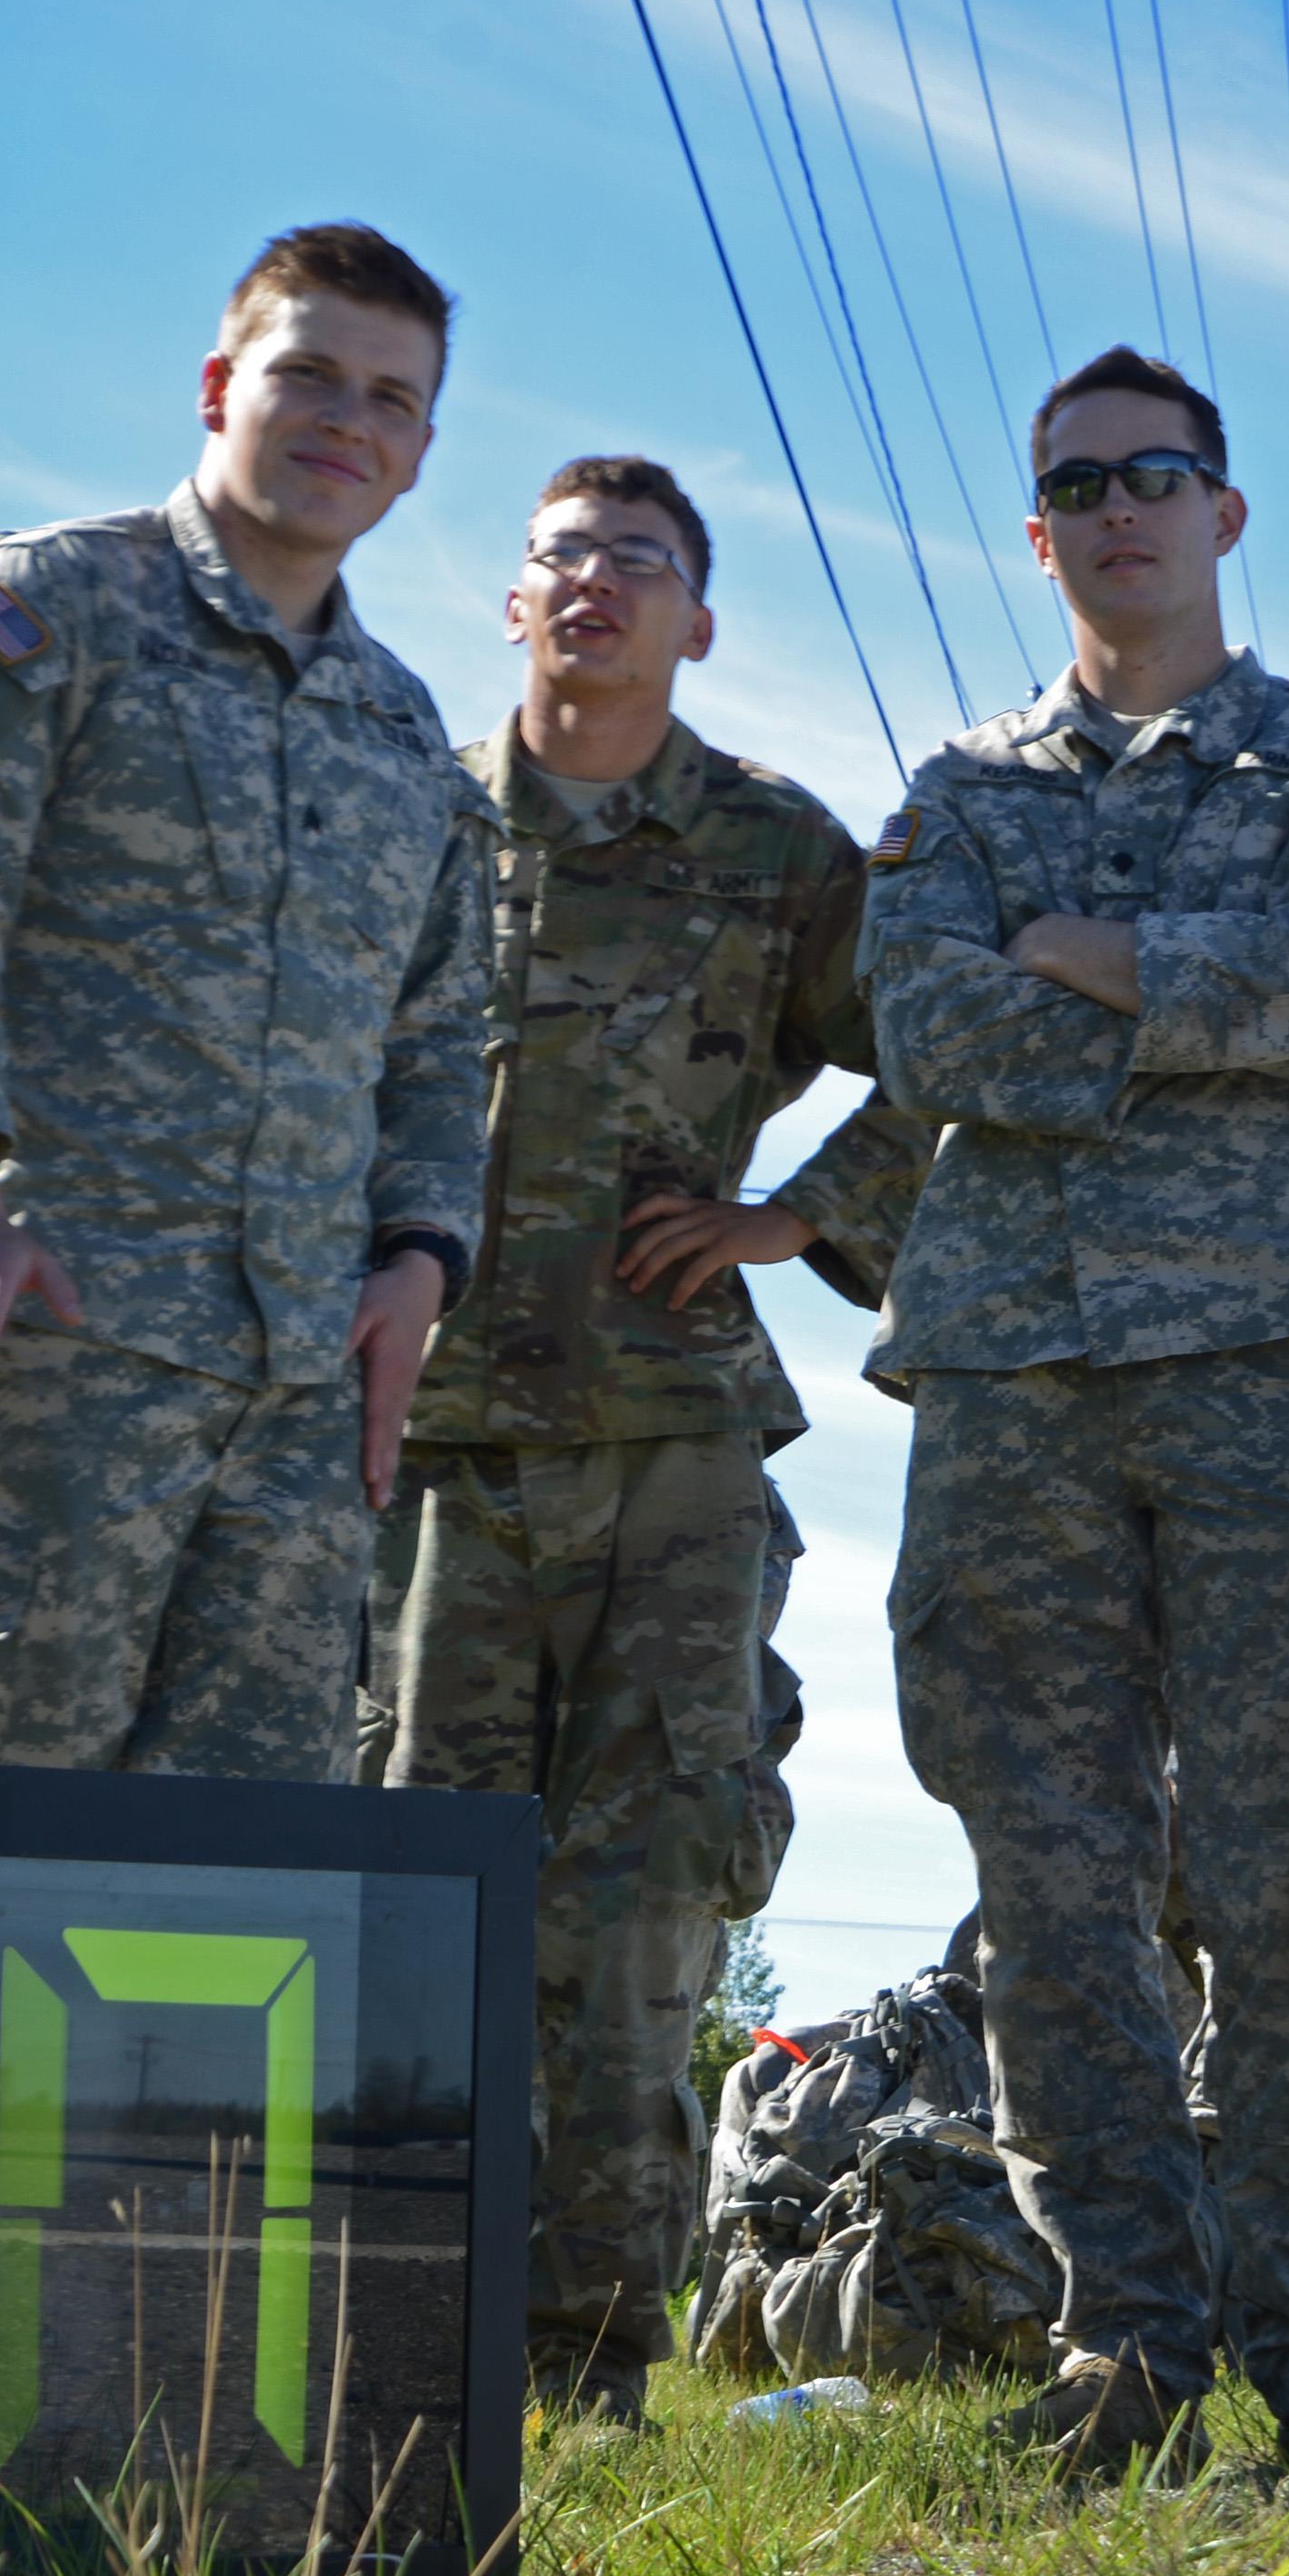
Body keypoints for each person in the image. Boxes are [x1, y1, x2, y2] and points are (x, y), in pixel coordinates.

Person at [865, 345, 1289, 2479]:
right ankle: (1122, 2335)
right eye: (1076, 488)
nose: (1119, 509)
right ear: (1039, 537)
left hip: (1280, 1370)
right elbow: (931, 1029)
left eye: (1158, 475)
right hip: (1017, 1380)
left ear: (1225, 512)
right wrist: (1197, 988)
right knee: (1052, 1879)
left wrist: (1090, 956)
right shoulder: (960, 792)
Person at [364, 452, 935, 2429]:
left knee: (645, 1902)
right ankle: (407, 2353)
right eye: (560, 557)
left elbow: (950, 1043)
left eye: (640, 561)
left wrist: (805, 1217)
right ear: (508, 604)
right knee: (422, 1895)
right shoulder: (410, 817)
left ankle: (589, 2368)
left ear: (698, 618)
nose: (594, 582)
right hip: (430, 1449)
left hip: (675, 1442)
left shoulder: (772, 849)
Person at [0, 224, 490, 1777]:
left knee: (214, 1918)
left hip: (298, 1415)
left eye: (389, 399)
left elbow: (443, 1034)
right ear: (216, 384)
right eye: (307, 373)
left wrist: (417, 1261)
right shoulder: (41, 612)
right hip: (52, 1349)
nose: (346, 420)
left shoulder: (400, 729)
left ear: (419, 451)